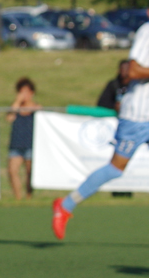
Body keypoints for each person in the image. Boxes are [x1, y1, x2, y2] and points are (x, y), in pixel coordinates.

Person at [54, 24, 149, 239]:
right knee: (116, 168)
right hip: (137, 117)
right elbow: (133, 70)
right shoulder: (146, 31)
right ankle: (65, 205)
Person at [6, 77, 40, 202]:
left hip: (31, 144)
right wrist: (17, 101)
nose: (24, 95)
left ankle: (29, 197)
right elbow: (9, 118)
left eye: (26, 92)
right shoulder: (16, 108)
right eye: (21, 92)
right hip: (16, 144)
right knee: (12, 171)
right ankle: (18, 198)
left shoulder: (36, 108)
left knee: (30, 173)